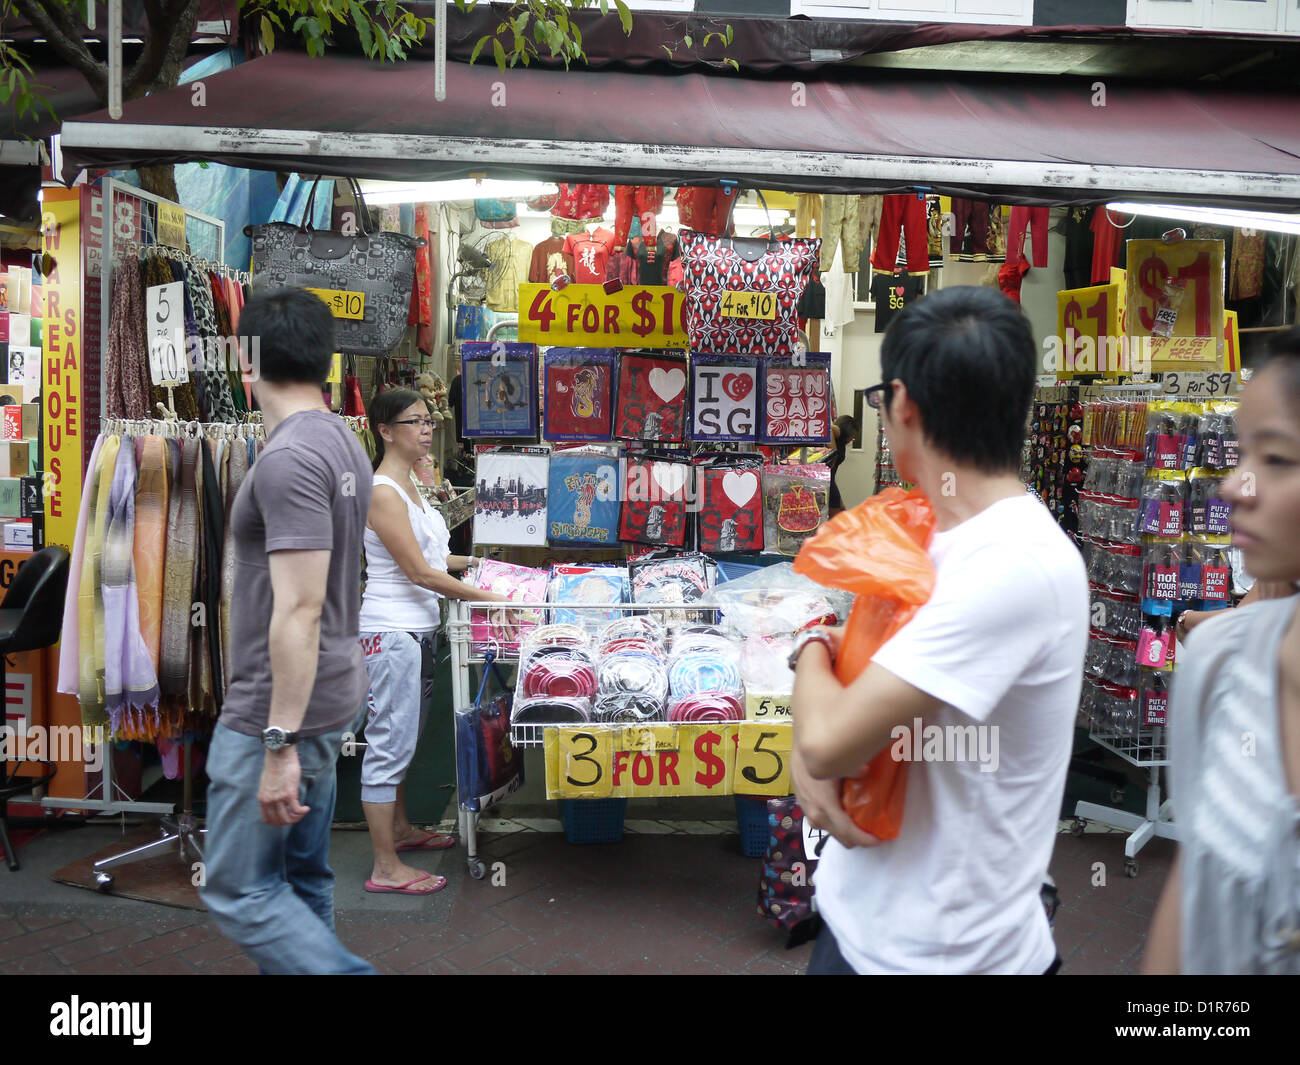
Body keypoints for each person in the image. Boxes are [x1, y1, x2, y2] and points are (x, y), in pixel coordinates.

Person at [790, 285, 1089, 974]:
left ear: (902, 406)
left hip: (944, 957)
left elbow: (829, 738)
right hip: (858, 919)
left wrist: (809, 639)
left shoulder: (1015, 566)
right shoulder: (932, 532)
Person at [201, 287, 376, 974]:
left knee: (240, 889)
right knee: (302, 879)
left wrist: (277, 744)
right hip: (327, 694)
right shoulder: (341, 441)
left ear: (247, 362)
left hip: (279, 710)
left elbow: (299, 608)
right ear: (326, 363)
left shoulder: (288, 459)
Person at [1143, 330, 1300, 975]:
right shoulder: (1222, 665)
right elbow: (1191, 897)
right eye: (1242, 455)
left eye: (1279, 461)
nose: (1235, 487)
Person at [358, 388, 510, 896]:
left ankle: (399, 831)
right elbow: (419, 573)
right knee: (388, 744)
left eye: (429, 421)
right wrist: (487, 595)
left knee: (405, 740)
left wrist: (491, 570)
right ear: (385, 430)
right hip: (392, 631)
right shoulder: (382, 490)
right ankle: (384, 867)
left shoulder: (411, 487)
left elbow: (439, 560)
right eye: (415, 422)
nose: (427, 429)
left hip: (418, 631)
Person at [827, 413, 860, 515]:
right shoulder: (838, 432)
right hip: (826, 482)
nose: (852, 439)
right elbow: (829, 428)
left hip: (829, 482)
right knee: (834, 520)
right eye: (853, 435)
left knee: (837, 514)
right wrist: (833, 454)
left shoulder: (840, 440)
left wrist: (840, 500)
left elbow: (833, 473)